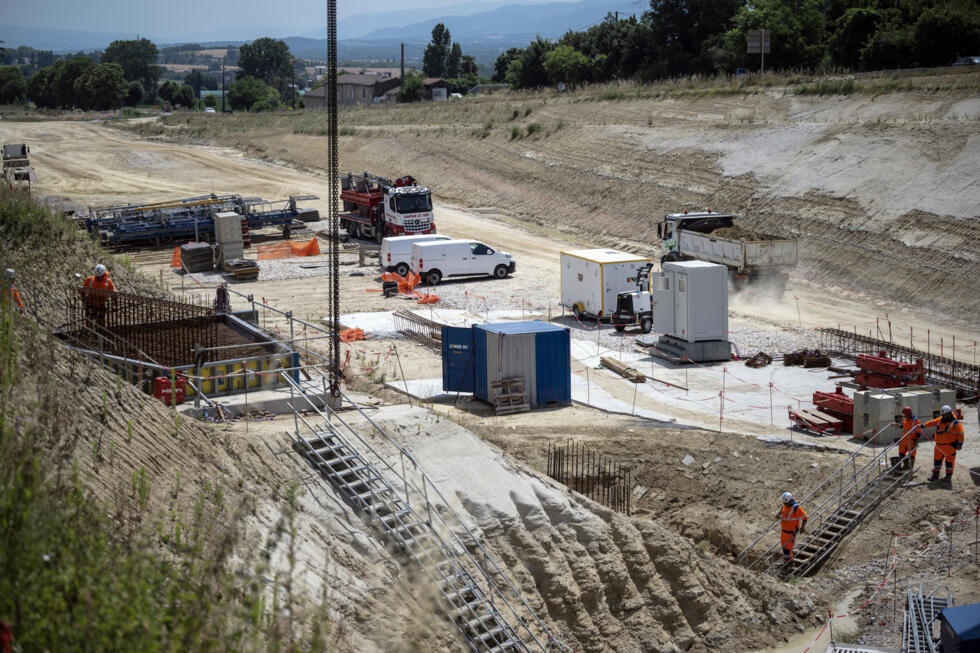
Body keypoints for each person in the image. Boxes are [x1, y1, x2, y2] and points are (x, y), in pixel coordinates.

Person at [923, 405, 965, 484]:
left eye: (945, 415)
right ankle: (935, 476)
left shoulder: (956, 423)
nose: (944, 416)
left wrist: (959, 444)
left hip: (950, 447)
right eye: (943, 415)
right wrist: (922, 425)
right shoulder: (940, 420)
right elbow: (932, 422)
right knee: (937, 461)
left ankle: (948, 477)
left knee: (949, 463)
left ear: (949, 414)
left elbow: (961, 434)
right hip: (938, 447)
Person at [778, 492, 808, 563]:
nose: (785, 504)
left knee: (788, 547)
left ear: (791, 500)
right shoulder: (785, 504)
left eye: (786, 503)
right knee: (783, 545)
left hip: (791, 531)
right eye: (784, 503)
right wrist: (778, 513)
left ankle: (789, 561)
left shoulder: (796, 508)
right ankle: (788, 559)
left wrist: (802, 527)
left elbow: (805, 517)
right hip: (784, 530)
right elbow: (782, 508)